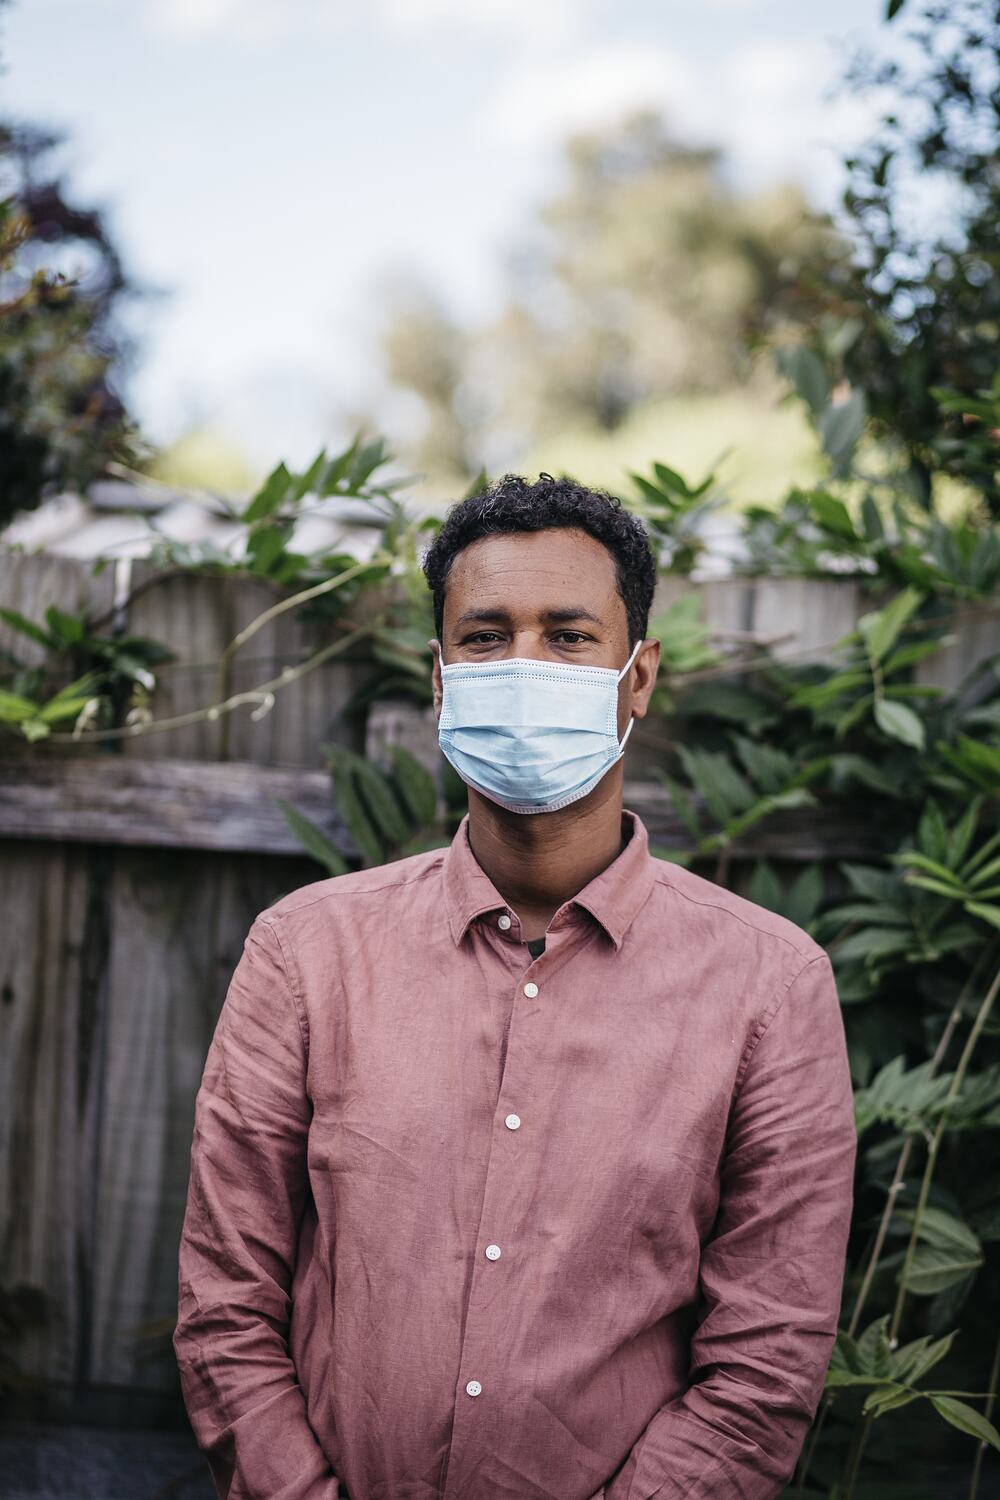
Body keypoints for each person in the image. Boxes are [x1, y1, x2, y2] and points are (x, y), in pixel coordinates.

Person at [173, 474, 857, 1500]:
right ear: (441, 678)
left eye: (569, 635)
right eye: (485, 635)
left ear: (638, 678)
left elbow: (762, 1370)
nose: (524, 664)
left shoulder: (770, 986)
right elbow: (228, 1304)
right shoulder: (306, 952)